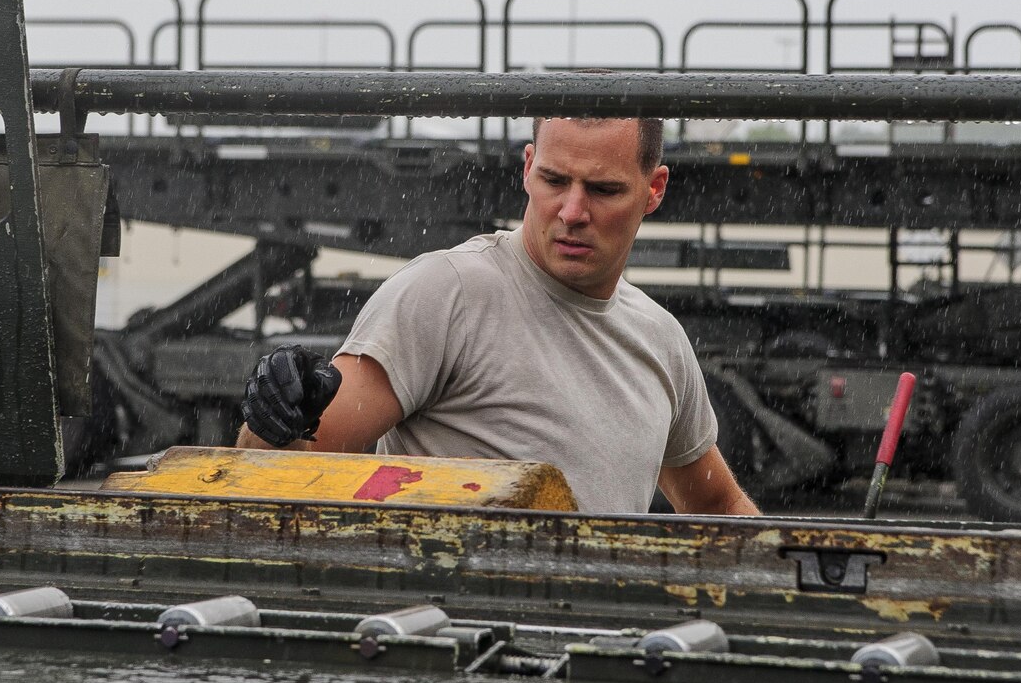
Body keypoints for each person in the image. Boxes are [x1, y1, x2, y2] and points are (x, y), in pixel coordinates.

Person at [235, 115, 760, 517]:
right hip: (454, 626)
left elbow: (720, 509)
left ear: (654, 189)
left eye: (603, 189)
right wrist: (273, 416)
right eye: (555, 180)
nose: (572, 212)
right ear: (528, 168)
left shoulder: (661, 340)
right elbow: (280, 469)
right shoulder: (448, 292)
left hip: (593, 628)